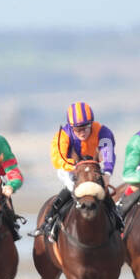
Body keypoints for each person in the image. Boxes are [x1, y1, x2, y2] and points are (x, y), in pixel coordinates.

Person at [37, 101, 119, 240]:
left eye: (85, 128)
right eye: (77, 129)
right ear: (71, 127)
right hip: (70, 169)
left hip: (92, 169)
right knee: (71, 188)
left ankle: (117, 219)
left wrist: (107, 173)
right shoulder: (62, 135)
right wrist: (77, 167)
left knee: (103, 191)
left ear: (91, 123)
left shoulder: (103, 132)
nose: (82, 132)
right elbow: (58, 158)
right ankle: (49, 222)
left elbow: (108, 154)